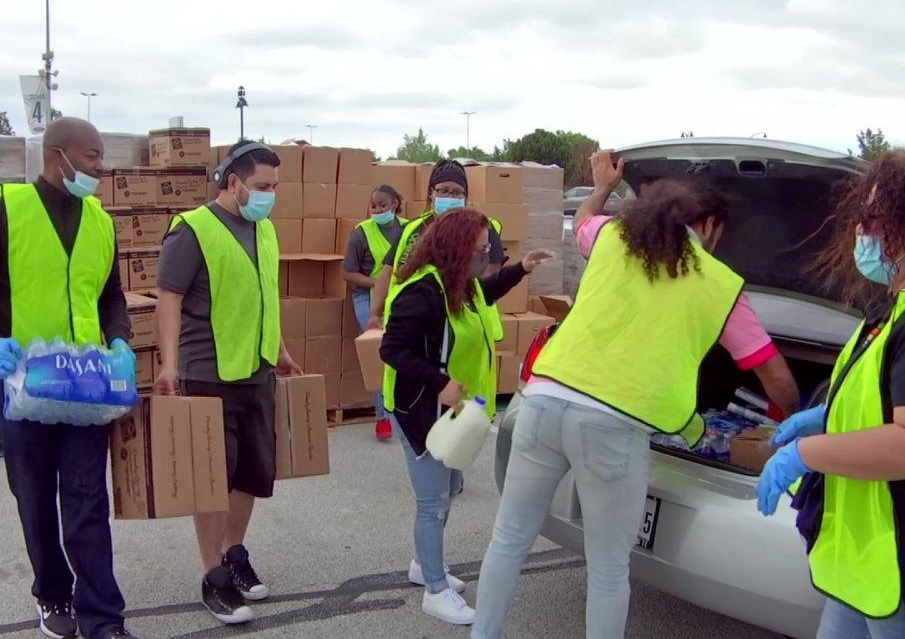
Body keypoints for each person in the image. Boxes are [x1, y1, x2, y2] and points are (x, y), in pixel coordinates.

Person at [472, 151, 801, 639]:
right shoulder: (719, 285)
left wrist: (602, 184)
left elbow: (582, 217)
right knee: (608, 569)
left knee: (508, 538)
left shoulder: (610, 238)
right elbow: (775, 379)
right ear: (708, 225)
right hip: (609, 428)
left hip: (543, 400)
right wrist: (794, 423)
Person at [0, 117, 133, 639]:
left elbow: (111, 296)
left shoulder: (100, 219)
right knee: (33, 495)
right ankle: (52, 594)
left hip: (84, 385)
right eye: (93, 156)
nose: (101, 166)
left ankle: (103, 619)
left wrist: (119, 338)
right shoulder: (6, 210)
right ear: (59, 155)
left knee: (88, 499)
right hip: (20, 385)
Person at [757, 150, 905, 639]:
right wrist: (827, 416)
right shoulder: (891, 310)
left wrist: (806, 452)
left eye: (874, 219)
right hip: (863, 558)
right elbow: (878, 398)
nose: (862, 230)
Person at [154, 140, 304, 626]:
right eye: (261, 186)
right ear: (232, 182)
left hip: (256, 369)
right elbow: (169, 298)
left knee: (250, 476)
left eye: (275, 188)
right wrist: (169, 364)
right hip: (208, 370)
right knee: (212, 480)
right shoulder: (193, 230)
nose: (269, 196)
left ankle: (234, 552)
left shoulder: (265, 230)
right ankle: (212, 574)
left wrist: (278, 349)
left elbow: (264, 295)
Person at [379, 207, 553, 626]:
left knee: (450, 487)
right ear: (457, 248)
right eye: (478, 249)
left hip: (453, 411)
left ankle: (425, 564)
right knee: (432, 501)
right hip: (421, 409)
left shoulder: (461, 286)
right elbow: (392, 349)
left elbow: (487, 292)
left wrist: (521, 270)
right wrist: (439, 382)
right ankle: (434, 590)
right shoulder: (421, 292)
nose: (484, 255)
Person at [367, 160, 505, 329]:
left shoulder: (483, 229)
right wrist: (374, 314)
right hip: (413, 321)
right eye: (443, 191)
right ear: (432, 193)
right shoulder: (412, 229)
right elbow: (388, 273)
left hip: (468, 324)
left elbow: (491, 277)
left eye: (456, 193)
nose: (450, 197)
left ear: (465, 197)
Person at [342, 184, 407, 441]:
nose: (378, 210)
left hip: (401, 296)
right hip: (366, 297)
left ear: (395, 204)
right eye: (374, 206)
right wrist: (378, 283)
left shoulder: (408, 228)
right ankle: (382, 417)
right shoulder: (360, 233)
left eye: (383, 205)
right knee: (380, 352)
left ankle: (401, 411)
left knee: (402, 352)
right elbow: (347, 272)